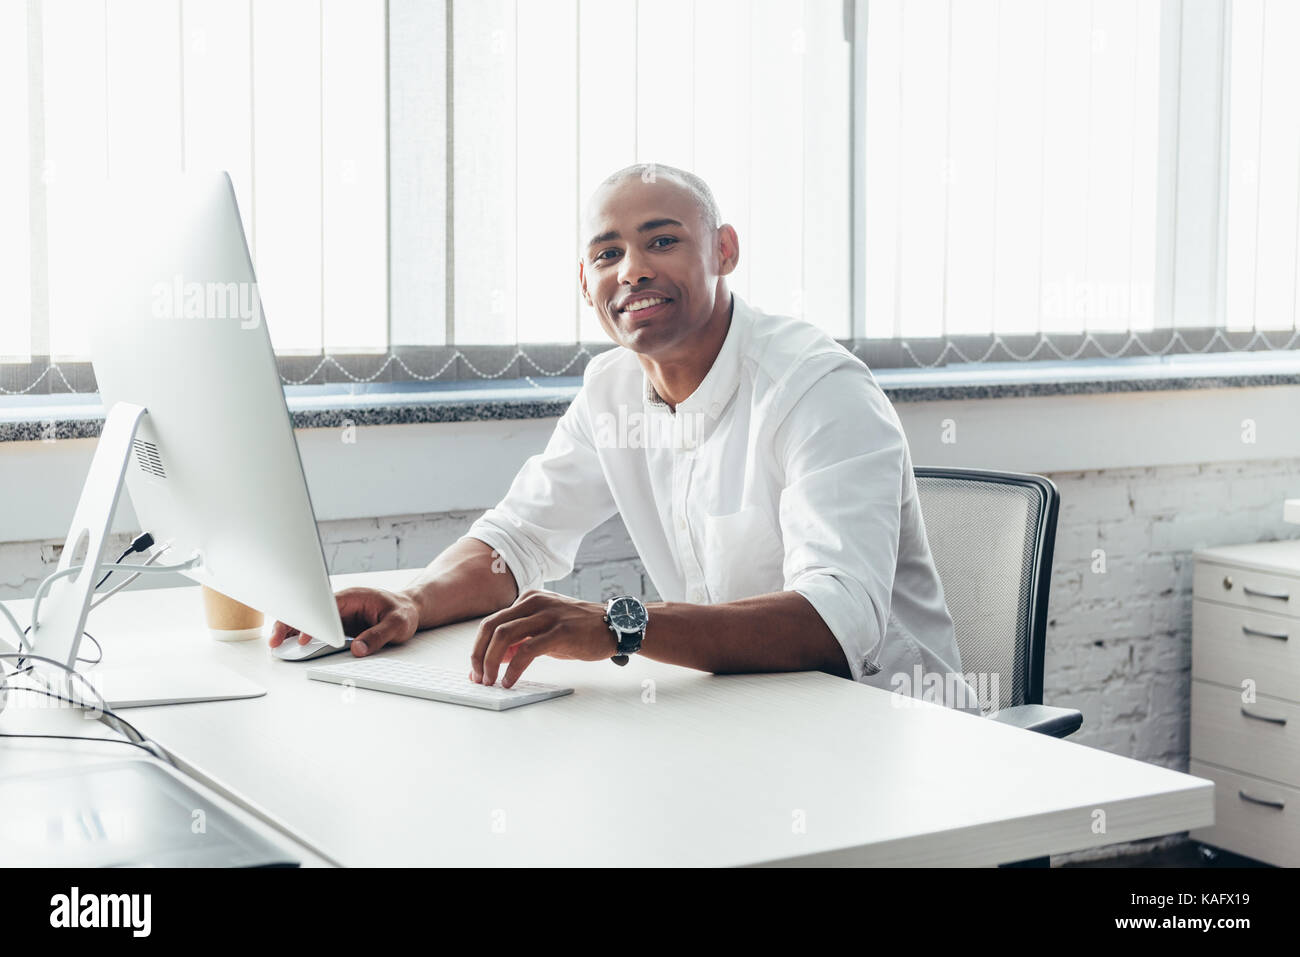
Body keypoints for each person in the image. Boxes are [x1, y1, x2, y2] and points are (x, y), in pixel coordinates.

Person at [270, 162, 979, 713]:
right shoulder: (612, 389)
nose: (632, 269)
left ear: (724, 250)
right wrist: (416, 600)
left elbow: (837, 622)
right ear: (586, 283)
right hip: (749, 717)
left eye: (662, 241)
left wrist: (620, 625)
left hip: (889, 728)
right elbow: (516, 539)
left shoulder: (816, 388)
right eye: (607, 254)